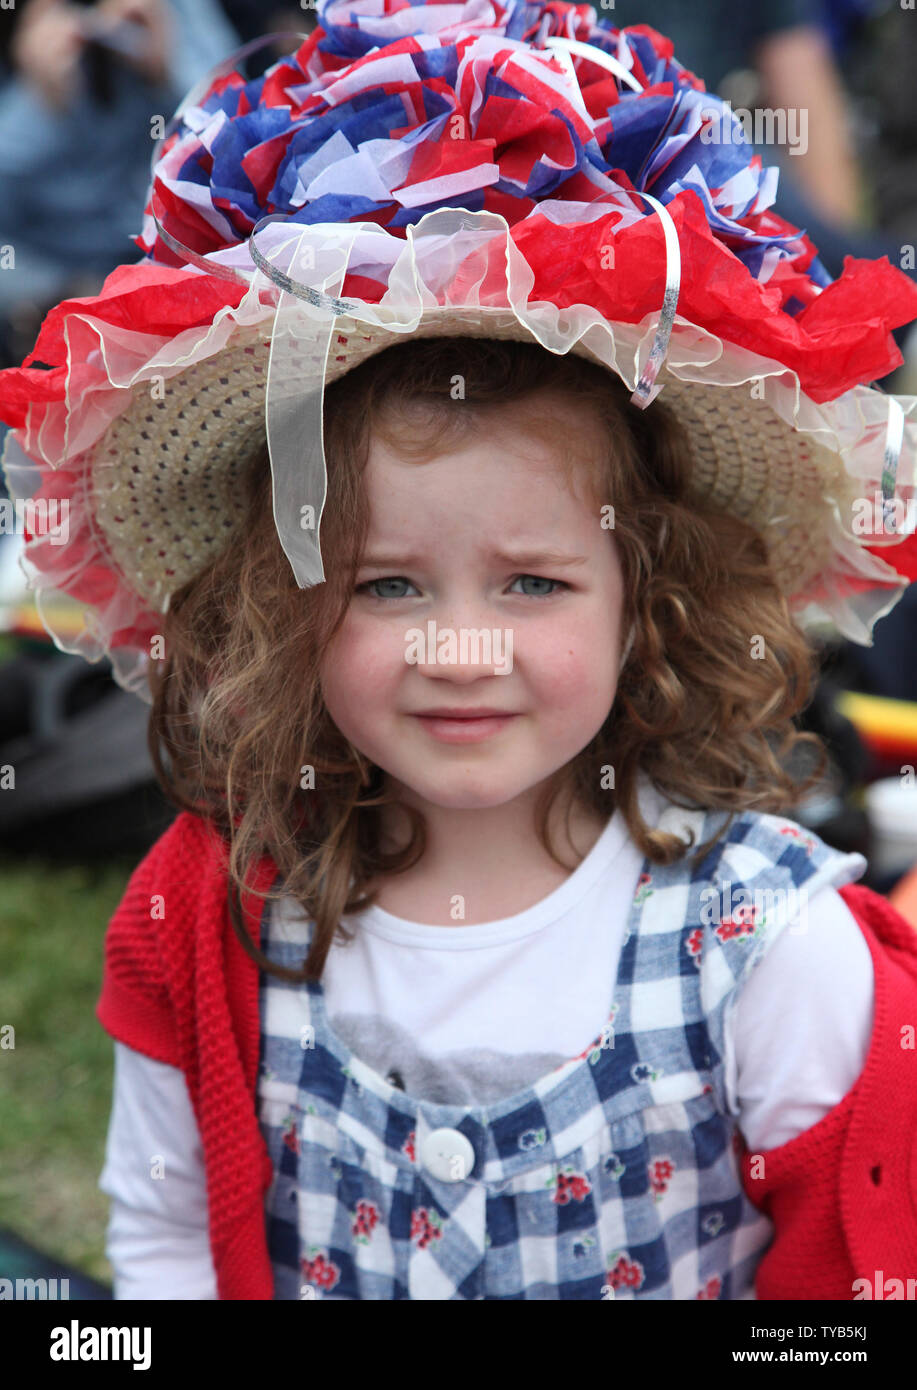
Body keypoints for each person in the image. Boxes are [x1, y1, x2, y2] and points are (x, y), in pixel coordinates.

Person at [2, 0, 917, 1302]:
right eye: (386, 583)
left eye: (534, 578)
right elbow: (163, 1237)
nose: (458, 645)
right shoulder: (209, 912)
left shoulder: (768, 949)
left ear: (643, 590)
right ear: (286, 593)